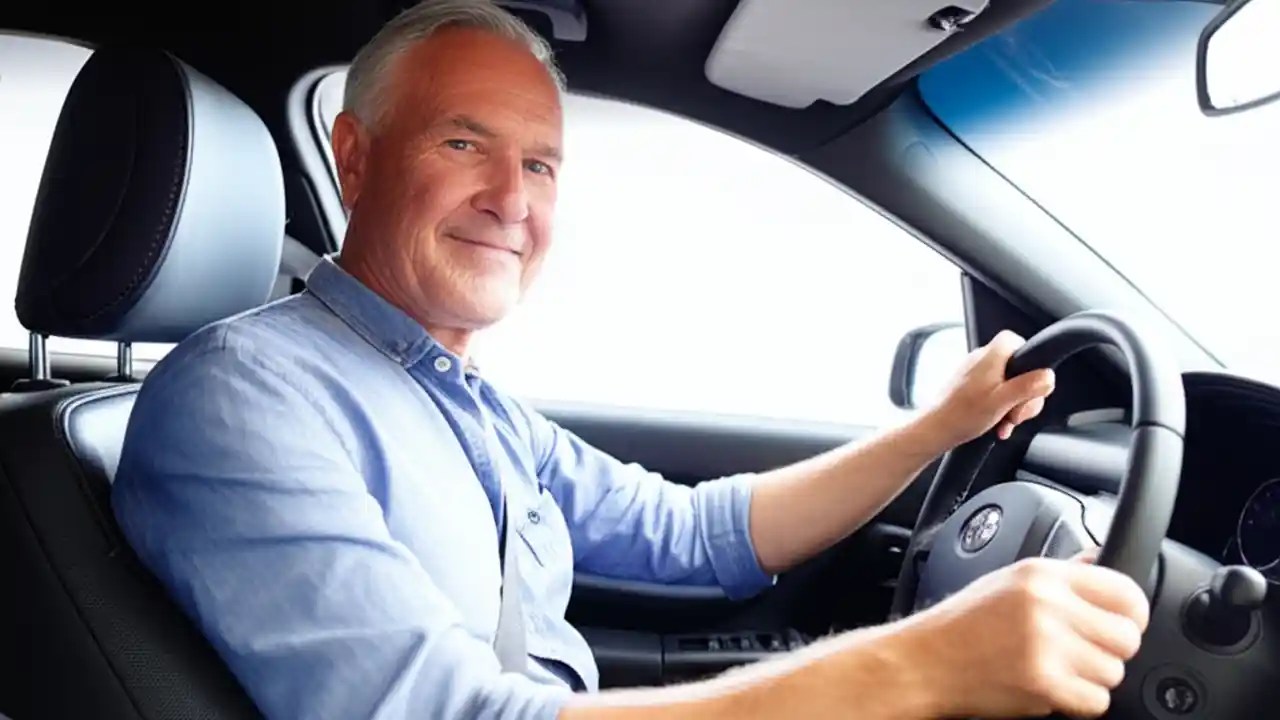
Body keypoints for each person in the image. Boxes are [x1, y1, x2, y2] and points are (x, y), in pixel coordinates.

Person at [110, 1, 1150, 718]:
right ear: (354, 155)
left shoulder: (459, 401)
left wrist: (941, 427)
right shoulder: (242, 397)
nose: (511, 200)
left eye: (540, 164)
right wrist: (913, 669)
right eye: (461, 145)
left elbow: (695, 535)